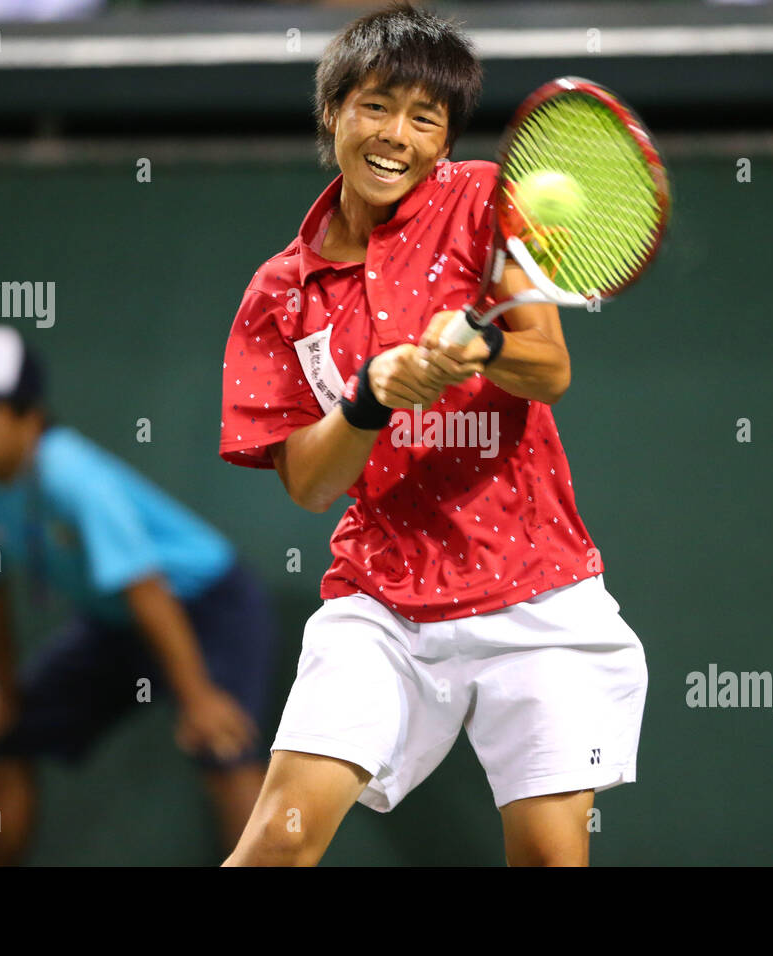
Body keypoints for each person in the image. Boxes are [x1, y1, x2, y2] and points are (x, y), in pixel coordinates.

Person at [217, 3, 647, 867]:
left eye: (426, 118)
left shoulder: (487, 201)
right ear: (333, 111)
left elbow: (547, 366)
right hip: (380, 601)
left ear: (446, 137)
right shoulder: (281, 292)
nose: (397, 136)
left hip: (536, 591)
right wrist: (370, 399)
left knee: (549, 861)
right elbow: (306, 483)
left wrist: (477, 342)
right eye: (377, 106)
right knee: (276, 846)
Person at [0, 323, 275, 864]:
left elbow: (145, 587)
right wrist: (4, 689)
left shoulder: (74, 477)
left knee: (224, 744)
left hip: (208, 606)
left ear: (28, 416)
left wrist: (197, 696)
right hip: (118, 621)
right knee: (0, 736)